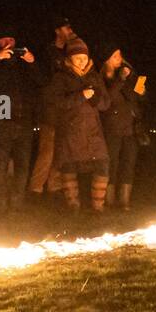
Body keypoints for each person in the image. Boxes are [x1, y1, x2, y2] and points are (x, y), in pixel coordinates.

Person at [0, 28, 44, 213]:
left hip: (24, 118)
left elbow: (41, 81)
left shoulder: (23, 63)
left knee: (23, 165)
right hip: (2, 115)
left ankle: (17, 204)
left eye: (11, 39)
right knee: (0, 164)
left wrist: (32, 62)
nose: (8, 43)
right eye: (3, 39)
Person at [51, 37, 110, 214]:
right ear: (70, 59)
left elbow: (105, 104)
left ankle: (98, 207)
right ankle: (73, 207)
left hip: (93, 131)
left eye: (84, 57)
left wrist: (95, 99)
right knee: (69, 167)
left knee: (103, 165)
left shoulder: (94, 76)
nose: (82, 60)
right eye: (78, 57)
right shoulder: (61, 77)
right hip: (71, 131)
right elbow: (57, 102)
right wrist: (80, 96)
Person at [28, 17, 79, 202]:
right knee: (47, 150)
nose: (70, 31)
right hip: (50, 108)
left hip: (66, 109)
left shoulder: (71, 53)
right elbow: (42, 79)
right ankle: (35, 188)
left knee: (61, 150)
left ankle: (54, 186)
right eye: (67, 27)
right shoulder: (48, 52)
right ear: (57, 31)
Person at [101, 46, 145, 211]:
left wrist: (142, 92)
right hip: (113, 127)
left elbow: (136, 98)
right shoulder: (103, 78)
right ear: (107, 60)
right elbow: (109, 97)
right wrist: (121, 80)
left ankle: (124, 201)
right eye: (115, 56)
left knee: (129, 162)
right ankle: (109, 200)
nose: (119, 59)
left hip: (130, 127)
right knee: (112, 162)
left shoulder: (127, 76)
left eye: (120, 55)